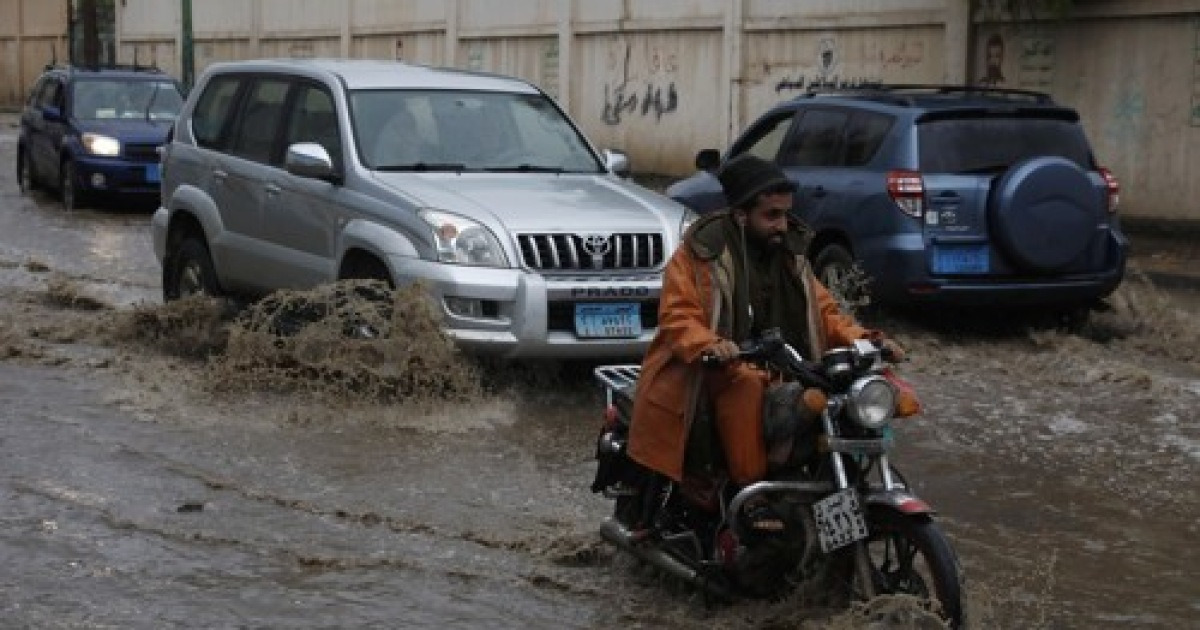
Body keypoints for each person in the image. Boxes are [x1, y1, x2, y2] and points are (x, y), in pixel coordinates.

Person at [626, 154, 904, 532]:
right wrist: (711, 344)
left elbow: (827, 315)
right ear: (741, 216)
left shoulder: (793, 257)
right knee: (744, 383)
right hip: (708, 374)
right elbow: (678, 318)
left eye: (786, 215)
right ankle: (752, 496)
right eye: (771, 216)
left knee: (861, 390)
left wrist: (869, 341)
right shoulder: (700, 255)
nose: (782, 225)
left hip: (785, 370)